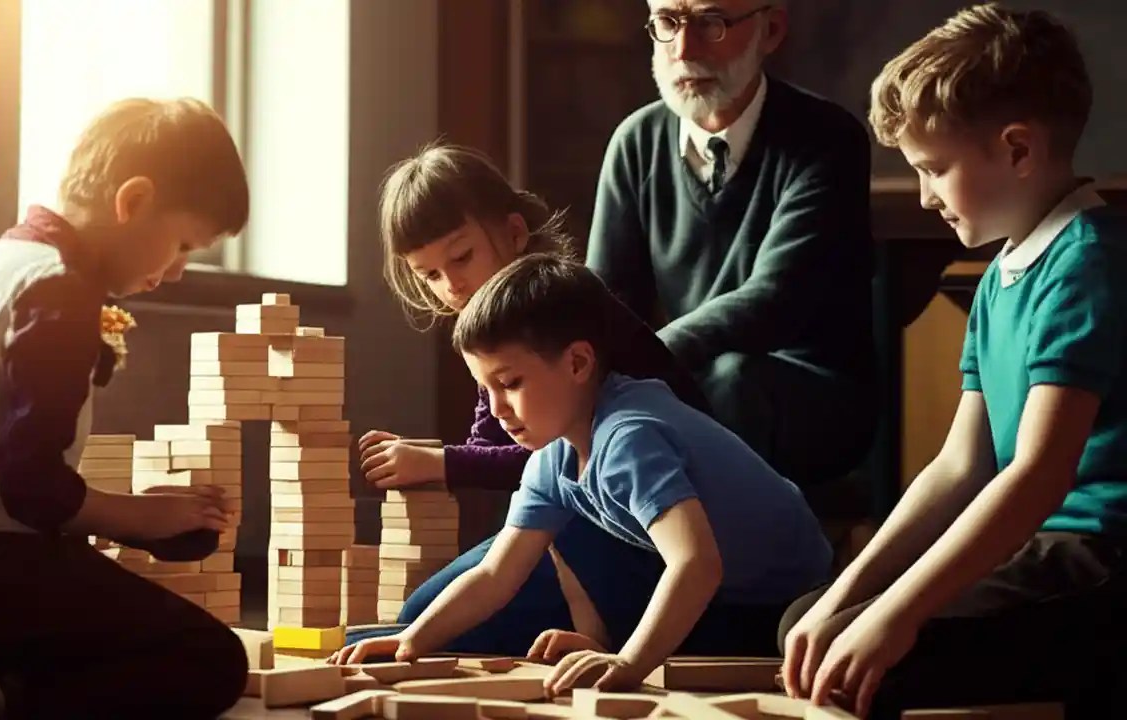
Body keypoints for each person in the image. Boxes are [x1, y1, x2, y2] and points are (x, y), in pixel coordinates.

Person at [778, 6, 1127, 719]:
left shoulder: (1087, 261)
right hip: (1034, 544)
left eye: (934, 169)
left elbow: (1035, 476)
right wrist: (853, 594)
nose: (926, 195)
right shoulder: (1002, 273)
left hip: (1101, 559)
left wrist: (897, 614)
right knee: (811, 625)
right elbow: (961, 467)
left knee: (877, 661)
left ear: (1019, 150)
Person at [0, 97, 251, 719]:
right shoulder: (58, 291)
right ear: (133, 201)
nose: (176, 272)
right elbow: (29, 487)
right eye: (181, 244)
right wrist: (135, 520)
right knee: (210, 658)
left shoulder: (0, 261)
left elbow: (10, 474)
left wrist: (139, 515)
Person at [336, 255, 831, 693]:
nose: (498, 409)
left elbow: (697, 563)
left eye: (510, 383)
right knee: (404, 624)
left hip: (774, 599)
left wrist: (629, 662)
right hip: (702, 578)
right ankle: (604, 635)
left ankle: (617, 639)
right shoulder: (551, 457)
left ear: (577, 363)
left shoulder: (628, 435)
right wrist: (411, 641)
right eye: (485, 390)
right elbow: (495, 573)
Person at [355, 144, 711, 655]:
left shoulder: (549, 312)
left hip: (646, 528)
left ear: (515, 234)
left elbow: (537, 458)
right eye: (429, 275)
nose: (452, 285)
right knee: (420, 617)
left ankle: (612, 626)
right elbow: (495, 443)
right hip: (585, 517)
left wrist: (438, 463)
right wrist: (440, 458)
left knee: (439, 624)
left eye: (462, 257)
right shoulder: (492, 321)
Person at [586, 0, 876, 485]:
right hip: (687, 377)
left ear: (772, 29)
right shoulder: (636, 141)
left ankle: (714, 556)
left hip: (810, 396)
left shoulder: (827, 138)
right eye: (668, 22)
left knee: (732, 378)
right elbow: (605, 299)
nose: (684, 48)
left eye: (711, 23)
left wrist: (647, 361)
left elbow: (773, 301)